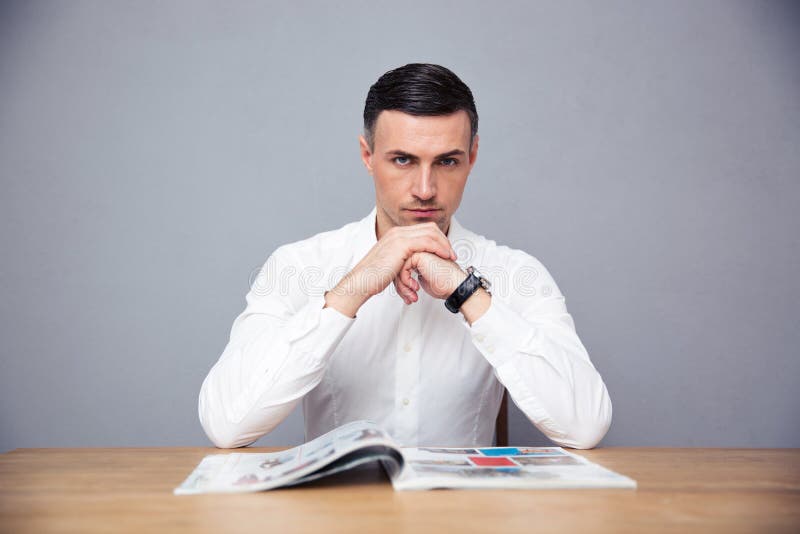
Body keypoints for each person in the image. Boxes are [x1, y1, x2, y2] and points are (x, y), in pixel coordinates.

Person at [198, 63, 612, 450]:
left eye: (447, 161)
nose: (425, 189)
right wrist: (354, 287)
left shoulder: (516, 272)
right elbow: (228, 423)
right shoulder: (298, 265)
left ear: (472, 157)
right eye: (402, 160)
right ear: (367, 156)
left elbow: (585, 425)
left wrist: (466, 291)